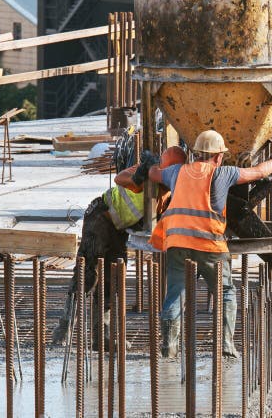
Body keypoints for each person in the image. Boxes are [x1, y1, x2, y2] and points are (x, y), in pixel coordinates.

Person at [148, 129, 272, 358]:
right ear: (218, 156)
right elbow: (257, 172)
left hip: (176, 243)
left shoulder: (177, 172)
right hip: (209, 245)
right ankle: (225, 345)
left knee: (175, 294)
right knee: (225, 292)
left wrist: (148, 164)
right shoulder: (222, 173)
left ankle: (168, 347)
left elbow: (154, 174)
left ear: (196, 153)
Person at [52, 146, 187, 348]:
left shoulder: (173, 187)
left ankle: (101, 336)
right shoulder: (149, 169)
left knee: (111, 280)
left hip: (118, 229)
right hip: (100, 216)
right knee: (87, 275)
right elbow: (120, 178)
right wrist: (140, 175)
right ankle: (64, 328)